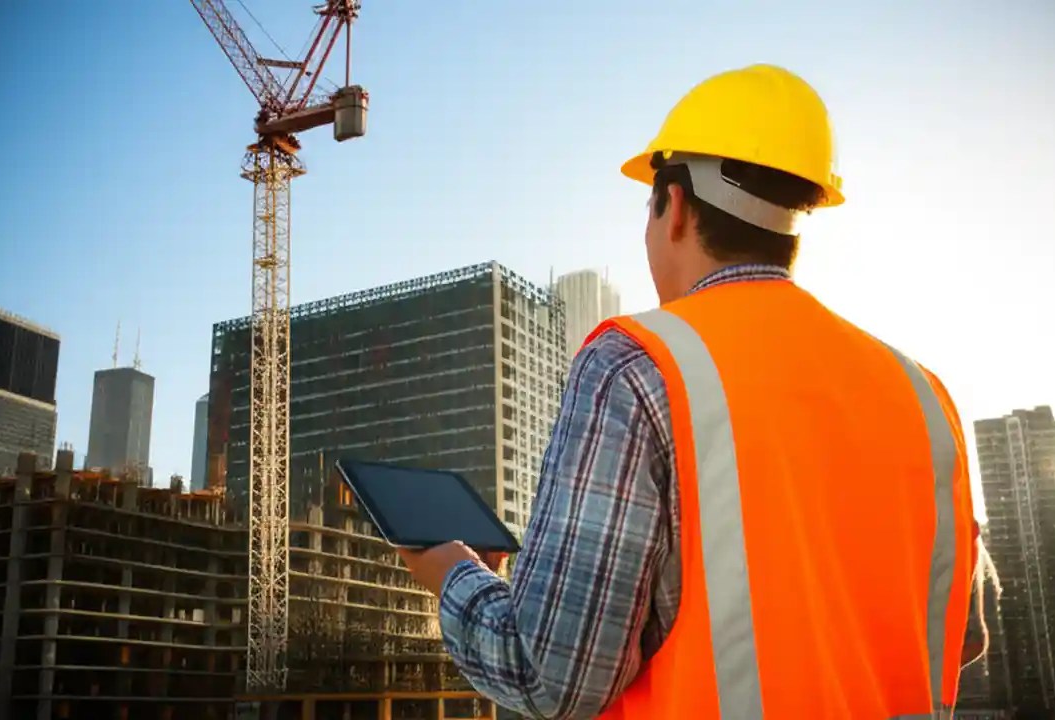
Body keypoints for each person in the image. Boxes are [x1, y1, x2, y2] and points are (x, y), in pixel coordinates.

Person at [398, 64, 993, 719]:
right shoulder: (921, 393)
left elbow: (550, 677)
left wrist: (453, 573)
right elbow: (960, 635)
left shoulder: (635, 364)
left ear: (672, 206)